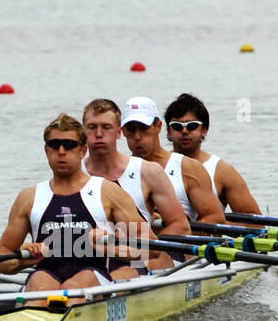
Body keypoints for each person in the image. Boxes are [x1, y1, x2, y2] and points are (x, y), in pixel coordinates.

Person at [0, 113, 149, 303]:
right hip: (45, 275)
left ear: (82, 151)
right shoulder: (29, 197)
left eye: (68, 145)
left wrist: (109, 248)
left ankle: (52, 319)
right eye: (54, 145)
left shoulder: (107, 192)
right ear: (46, 150)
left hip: (92, 276)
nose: (61, 151)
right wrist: (22, 261)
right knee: (41, 283)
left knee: (74, 287)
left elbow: (149, 248)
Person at [79, 98, 191, 274]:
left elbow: (181, 226)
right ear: (83, 132)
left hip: (136, 257)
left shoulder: (148, 171)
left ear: (119, 132)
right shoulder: (72, 174)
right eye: (92, 127)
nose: (99, 134)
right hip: (86, 257)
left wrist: (138, 248)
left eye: (106, 127)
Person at [119, 97, 226, 227]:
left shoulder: (188, 168)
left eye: (143, 128)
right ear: (122, 131)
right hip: (136, 244)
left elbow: (214, 217)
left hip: (179, 244)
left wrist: (178, 230)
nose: (137, 136)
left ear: (158, 126)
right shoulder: (117, 172)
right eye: (131, 129)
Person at [164, 93, 262, 216]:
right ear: (168, 132)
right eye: (177, 126)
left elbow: (256, 224)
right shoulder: (154, 167)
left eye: (192, 126)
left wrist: (216, 221)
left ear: (204, 130)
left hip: (206, 234)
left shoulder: (223, 172)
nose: (184, 131)